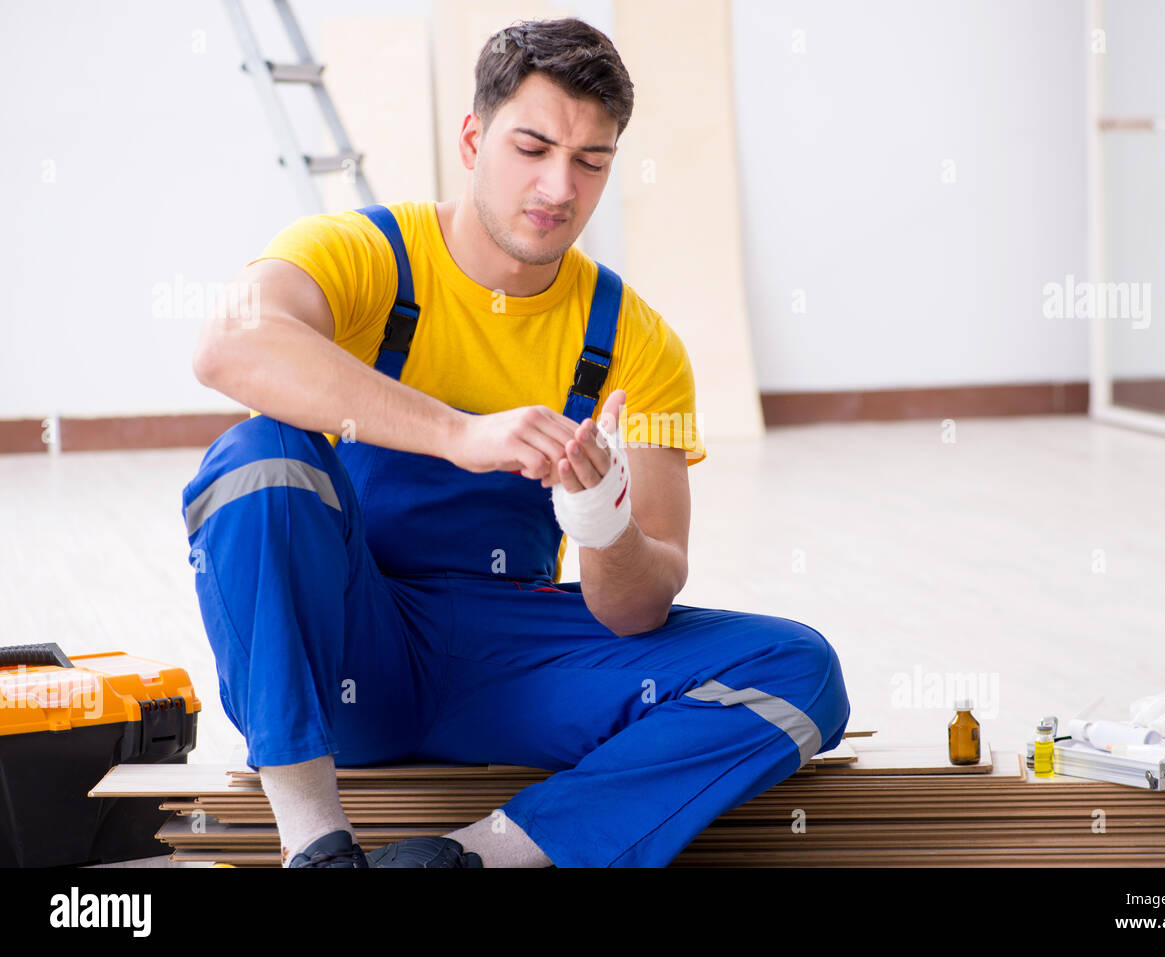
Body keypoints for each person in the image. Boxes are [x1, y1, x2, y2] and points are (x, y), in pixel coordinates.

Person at [182, 16, 850, 868]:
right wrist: (460, 433)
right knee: (256, 459)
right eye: (531, 147)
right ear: (472, 137)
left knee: (799, 668)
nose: (558, 186)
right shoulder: (367, 255)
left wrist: (604, 525)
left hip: (508, 663)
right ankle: (315, 843)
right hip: (353, 645)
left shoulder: (637, 345)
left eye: (590, 161)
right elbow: (226, 345)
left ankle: (471, 858)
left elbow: (641, 607)